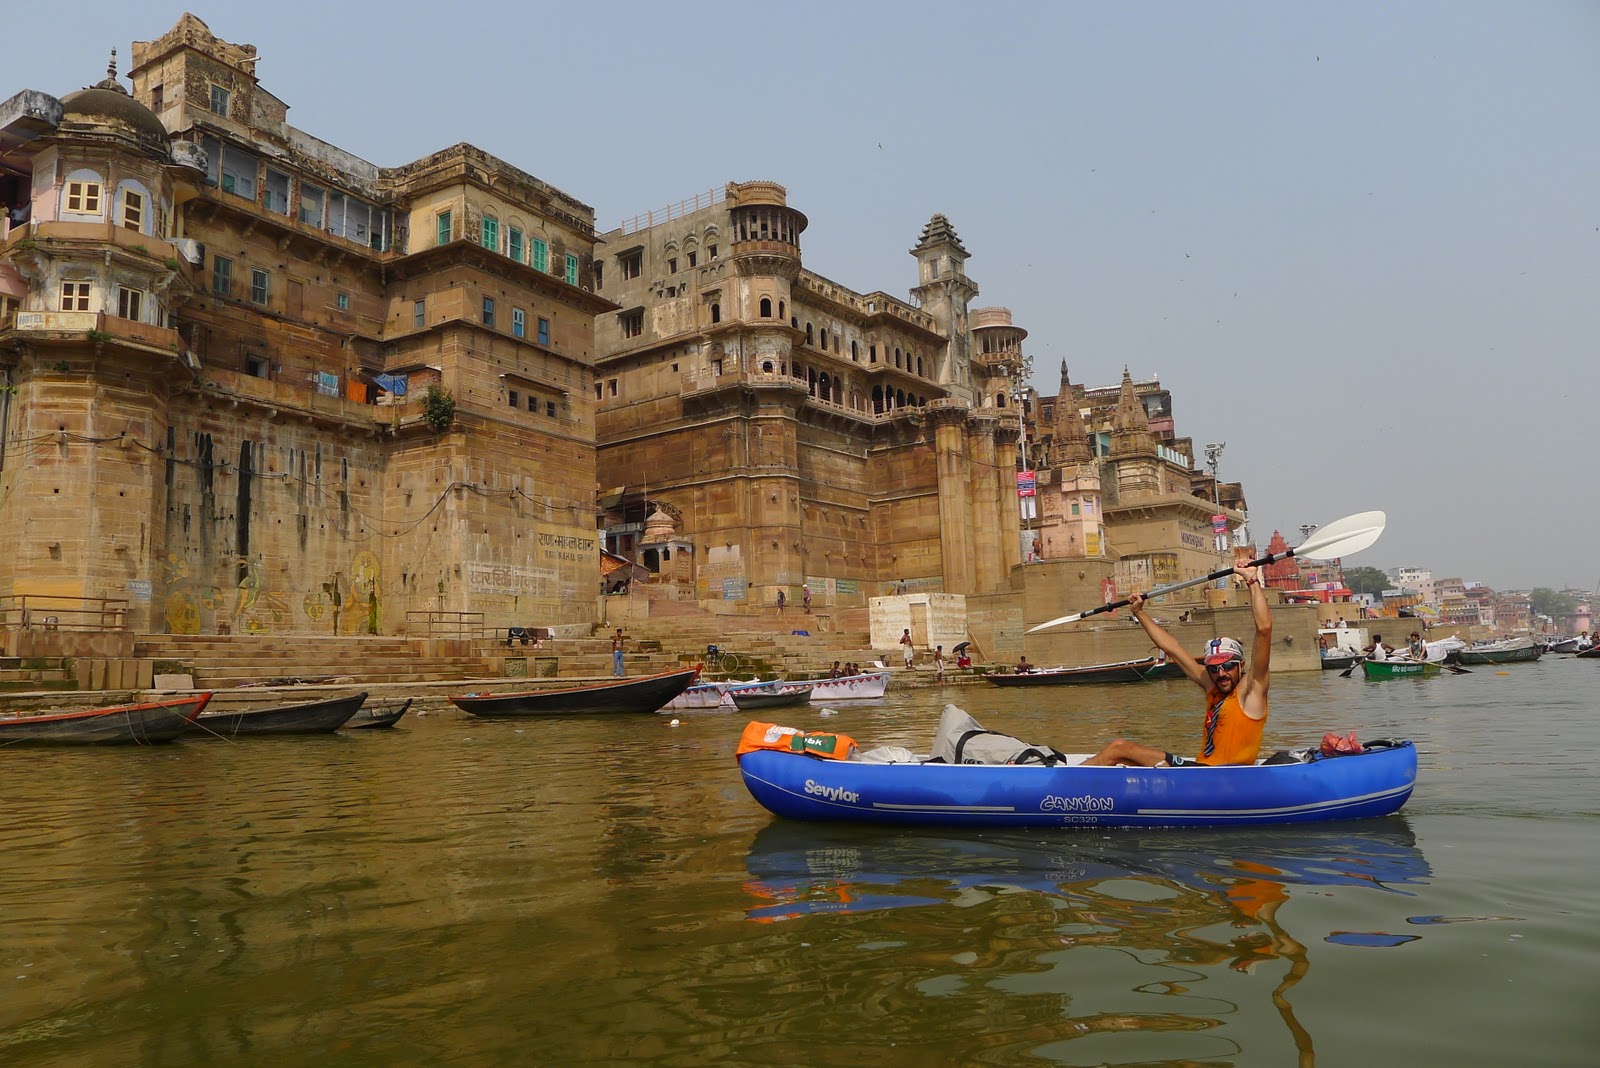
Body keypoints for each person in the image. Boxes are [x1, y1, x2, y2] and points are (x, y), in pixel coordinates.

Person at [1082, 564, 1272, 767]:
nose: (1221, 673)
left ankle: (1065, 782)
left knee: (1122, 750)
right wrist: (1139, 612)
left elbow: (1264, 628)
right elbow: (1172, 648)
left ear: (1241, 665)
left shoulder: (1252, 691)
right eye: (1214, 668)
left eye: (1227, 666)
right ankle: (1071, 781)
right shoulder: (1212, 687)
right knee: (1118, 748)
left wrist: (1251, 580)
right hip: (1200, 772)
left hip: (1226, 779)